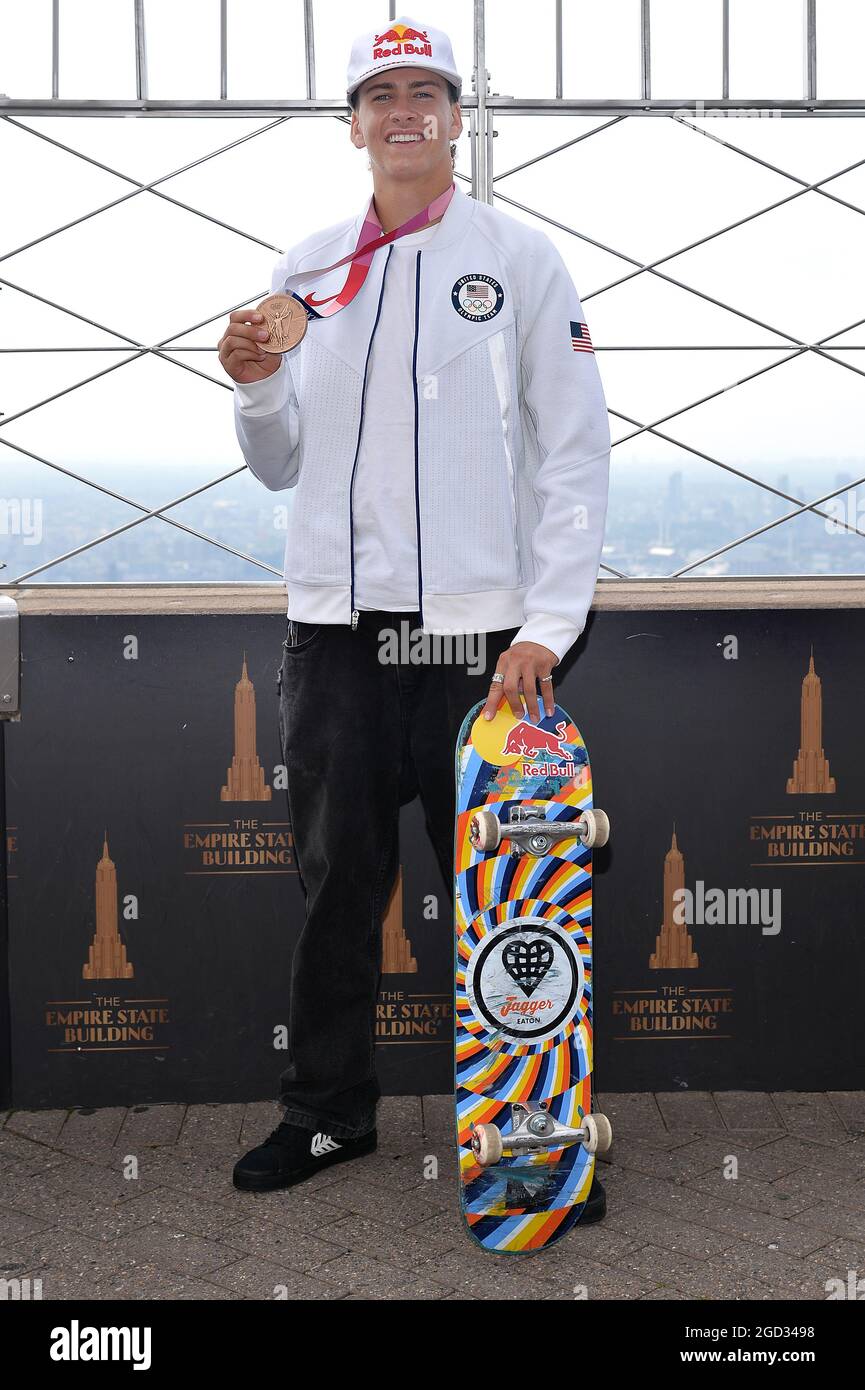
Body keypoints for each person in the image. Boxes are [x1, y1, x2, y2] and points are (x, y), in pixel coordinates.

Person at [218, 16, 611, 1211]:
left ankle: (534, 1135)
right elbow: (277, 463)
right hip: (337, 633)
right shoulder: (306, 267)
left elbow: (575, 454)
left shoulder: (525, 258)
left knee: (510, 893)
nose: (404, 110)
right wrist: (254, 385)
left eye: (425, 91)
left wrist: (545, 624)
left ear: (455, 117)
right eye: (379, 92)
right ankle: (330, 1115)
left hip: (481, 648)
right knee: (338, 885)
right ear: (351, 125)